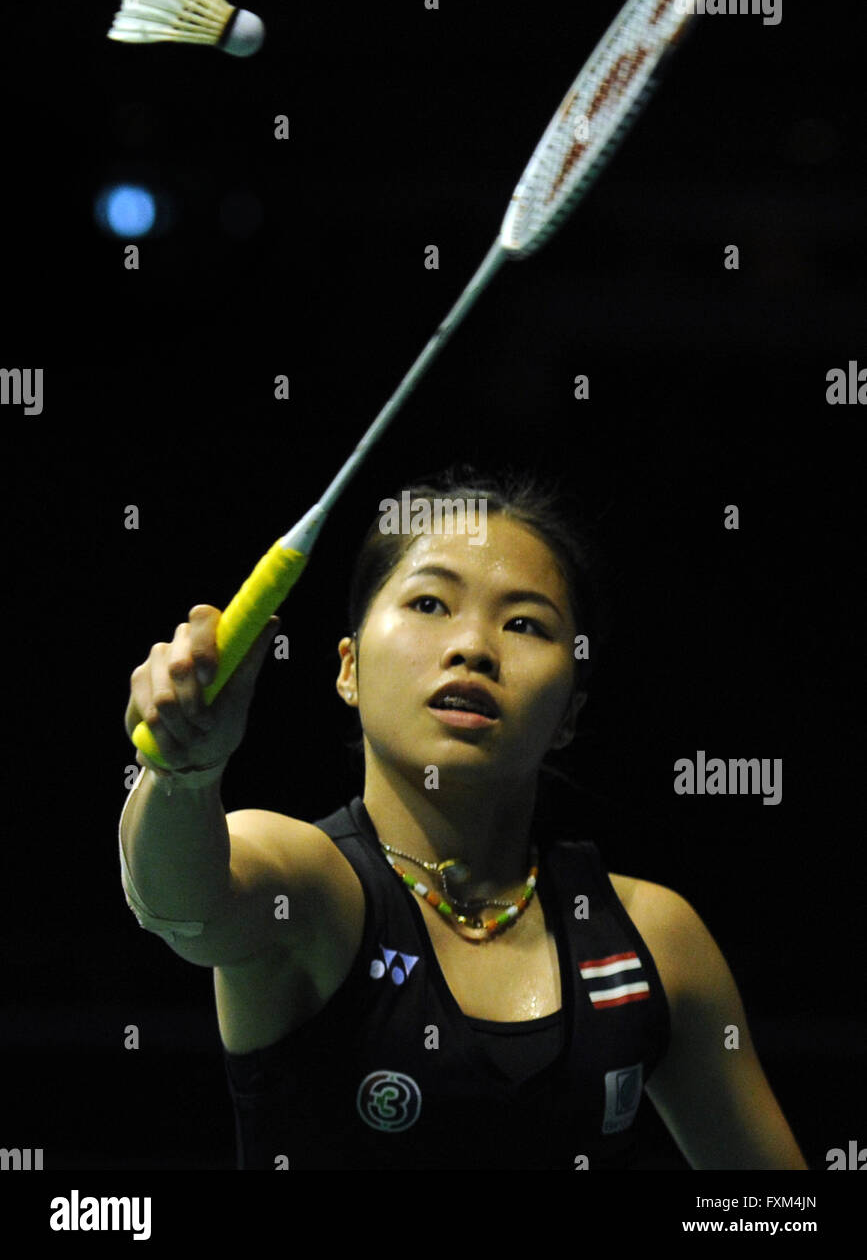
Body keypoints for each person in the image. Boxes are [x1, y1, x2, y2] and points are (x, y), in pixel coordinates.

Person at [120, 466, 809, 1170]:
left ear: (569, 714)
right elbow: (181, 904)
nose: (473, 647)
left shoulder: (654, 940)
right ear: (348, 669)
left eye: (523, 623)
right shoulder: (311, 888)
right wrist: (182, 773)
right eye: (428, 604)